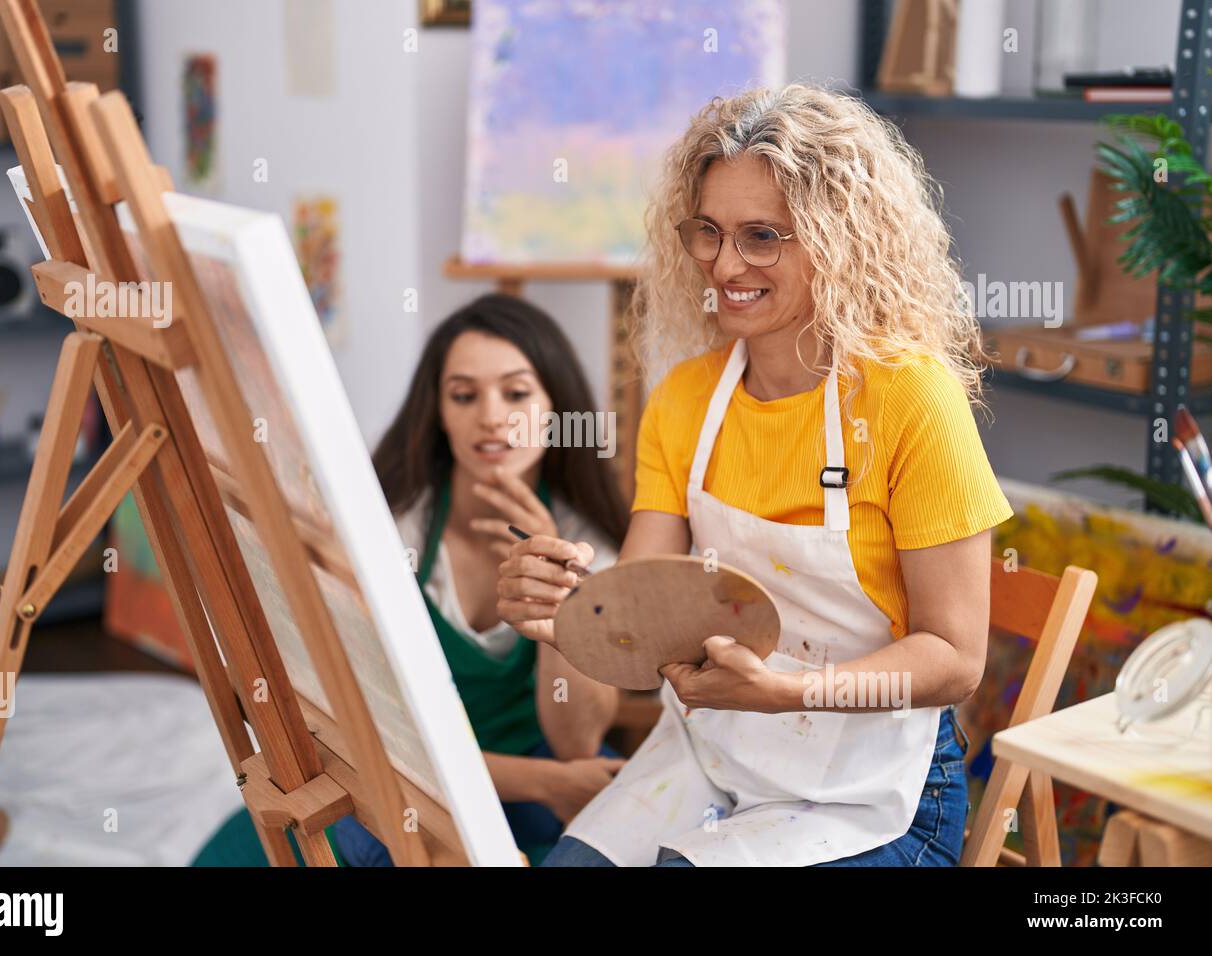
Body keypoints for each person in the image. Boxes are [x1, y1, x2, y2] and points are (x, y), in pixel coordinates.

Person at [497, 84, 1011, 867]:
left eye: (762, 236)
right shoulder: (685, 402)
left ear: (841, 241)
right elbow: (643, 615)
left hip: (874, 793)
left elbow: (954, 659)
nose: (724, 264)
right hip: (712, 754)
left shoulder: (911, 399)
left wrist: (788, 692)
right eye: (708, 231)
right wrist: (569, 609)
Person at [332, 293, 629, 865]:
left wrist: (563, 609)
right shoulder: (392, 530)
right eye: (464, 396)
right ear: (440, 414)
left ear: (557, 409)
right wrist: (543, 783)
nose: (492, 416)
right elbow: (369, 738)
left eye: (516, 394)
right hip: (406, 772)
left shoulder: (592, 543)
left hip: (541, 752)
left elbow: (577, 746)